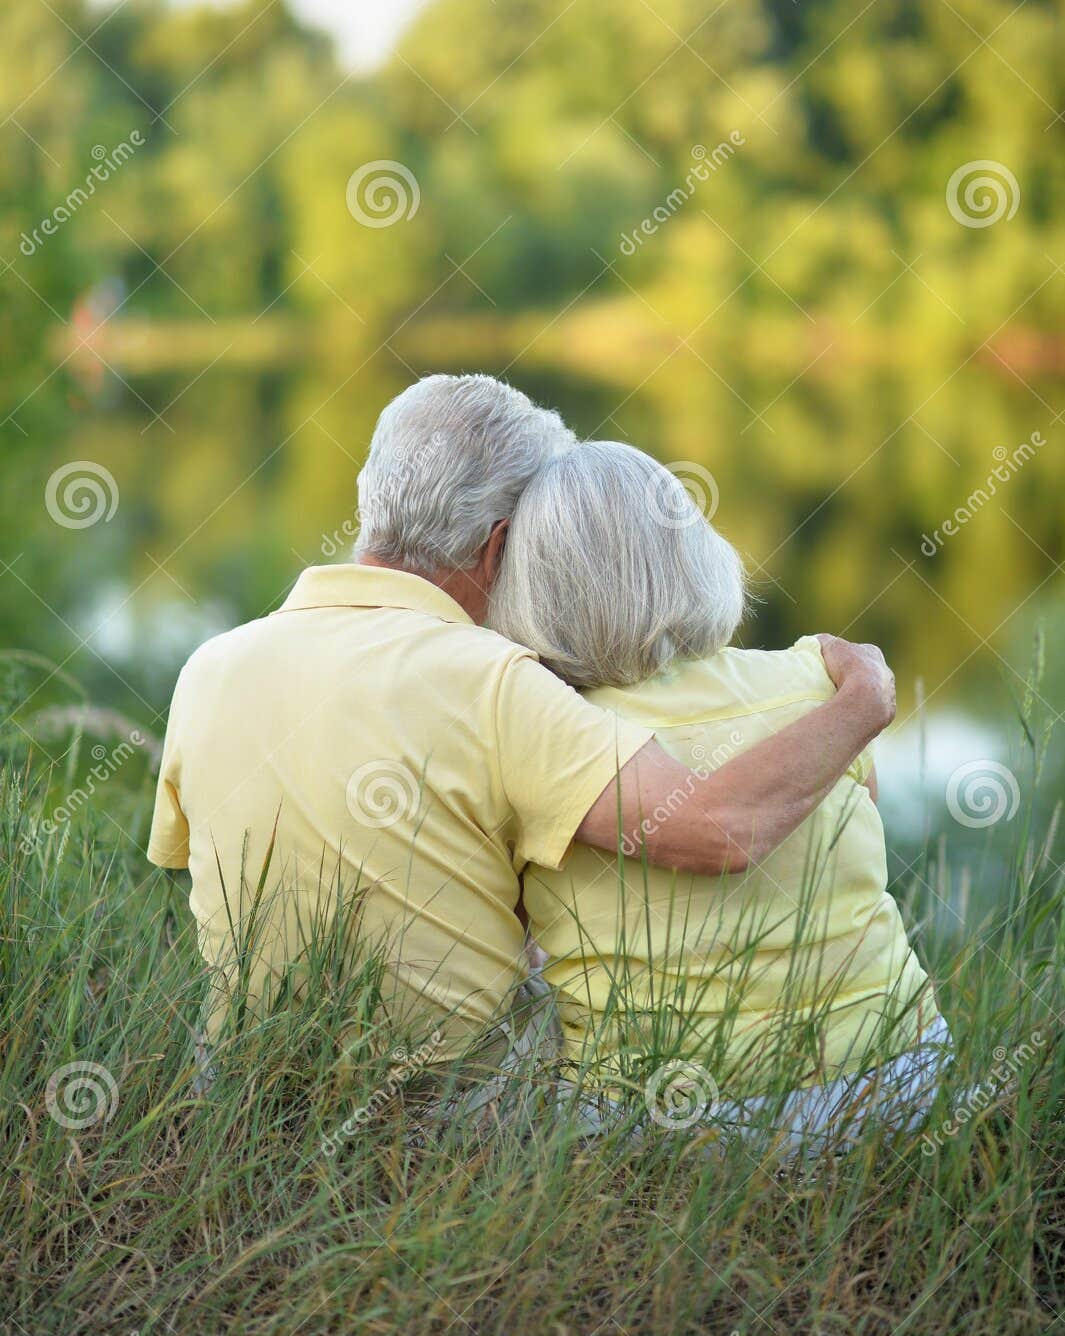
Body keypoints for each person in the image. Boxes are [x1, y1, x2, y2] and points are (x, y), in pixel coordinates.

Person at [147, 375, 896, 1076]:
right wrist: (860, 701)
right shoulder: (495, 682)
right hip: (439, 1099)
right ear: (504, 544)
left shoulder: (209, 667)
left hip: (241, 1074)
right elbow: (719, 827)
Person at [487, 440, 947, 1145]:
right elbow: (858, 844)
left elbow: (509, 936)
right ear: (696, 553)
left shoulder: (544, 734)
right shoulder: (819, 681)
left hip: (666, 1118)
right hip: (902, 1077)